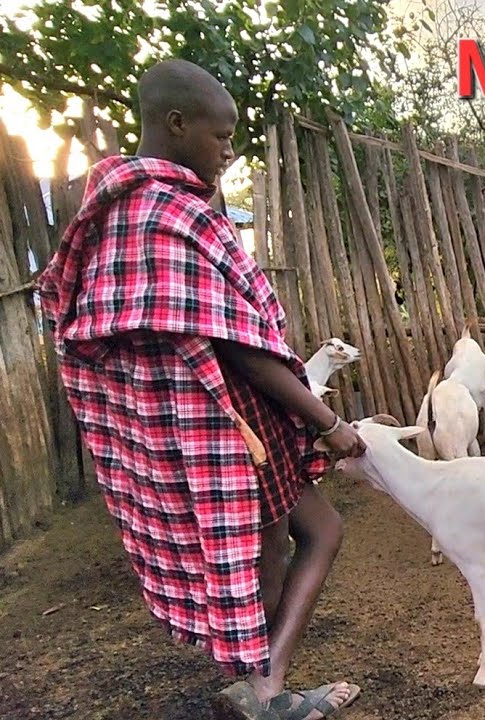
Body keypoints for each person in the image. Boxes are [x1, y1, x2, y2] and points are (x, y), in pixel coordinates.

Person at [36, 59, 365, 720]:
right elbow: (239, 345)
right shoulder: (169, 212)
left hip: (189, 423)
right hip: (232, 422)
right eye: (220, 137)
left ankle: (261, 685)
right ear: (176, 124)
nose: (227, 150)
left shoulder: (118, 212)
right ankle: (263, 689)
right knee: (306, 535)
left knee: (281, 541)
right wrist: (328, 422)